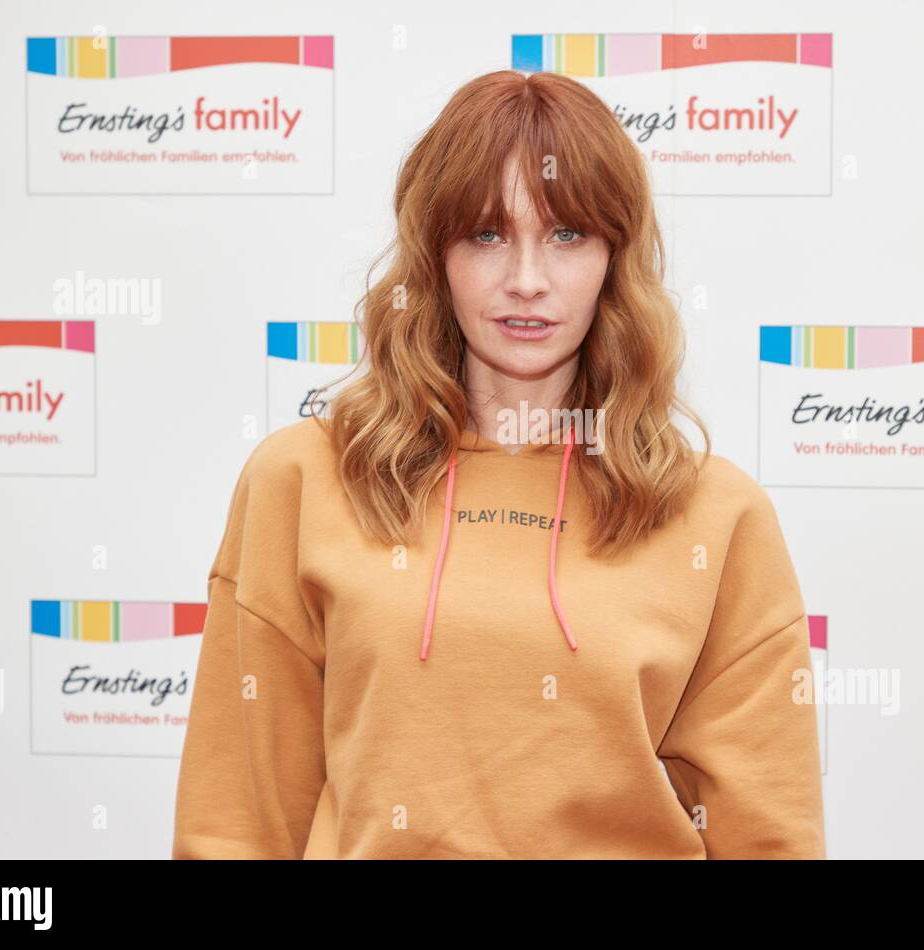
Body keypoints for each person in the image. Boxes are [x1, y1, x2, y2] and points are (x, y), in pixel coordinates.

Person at [172, 68, 825, 859]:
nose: (526, 281)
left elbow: (768, 839)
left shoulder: (714, 514)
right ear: (435, 255)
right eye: (486, 234)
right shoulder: (304, 479)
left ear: (614, 258)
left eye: (567, 234)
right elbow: (235, 824)